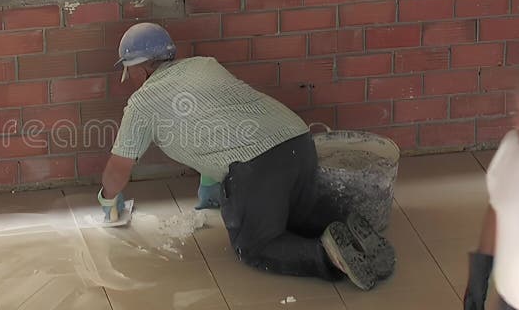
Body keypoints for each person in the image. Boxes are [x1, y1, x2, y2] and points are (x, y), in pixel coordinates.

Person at [97, 22, 395, 290]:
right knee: (294, 215)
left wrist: (108, 199)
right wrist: (212, 185)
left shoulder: (142, 103)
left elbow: (118, 169)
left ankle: (328, 260)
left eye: (130, 73)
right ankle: (344, 226)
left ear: (139, 69)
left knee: (255, 246)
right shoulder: (203, 65)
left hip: (259, 165)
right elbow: (215, 120)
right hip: (297, 141)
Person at [463, 91, 519, 310]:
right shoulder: (513, 148)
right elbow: (497, 206)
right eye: (518, 111)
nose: (517, 122)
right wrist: (480, 273)